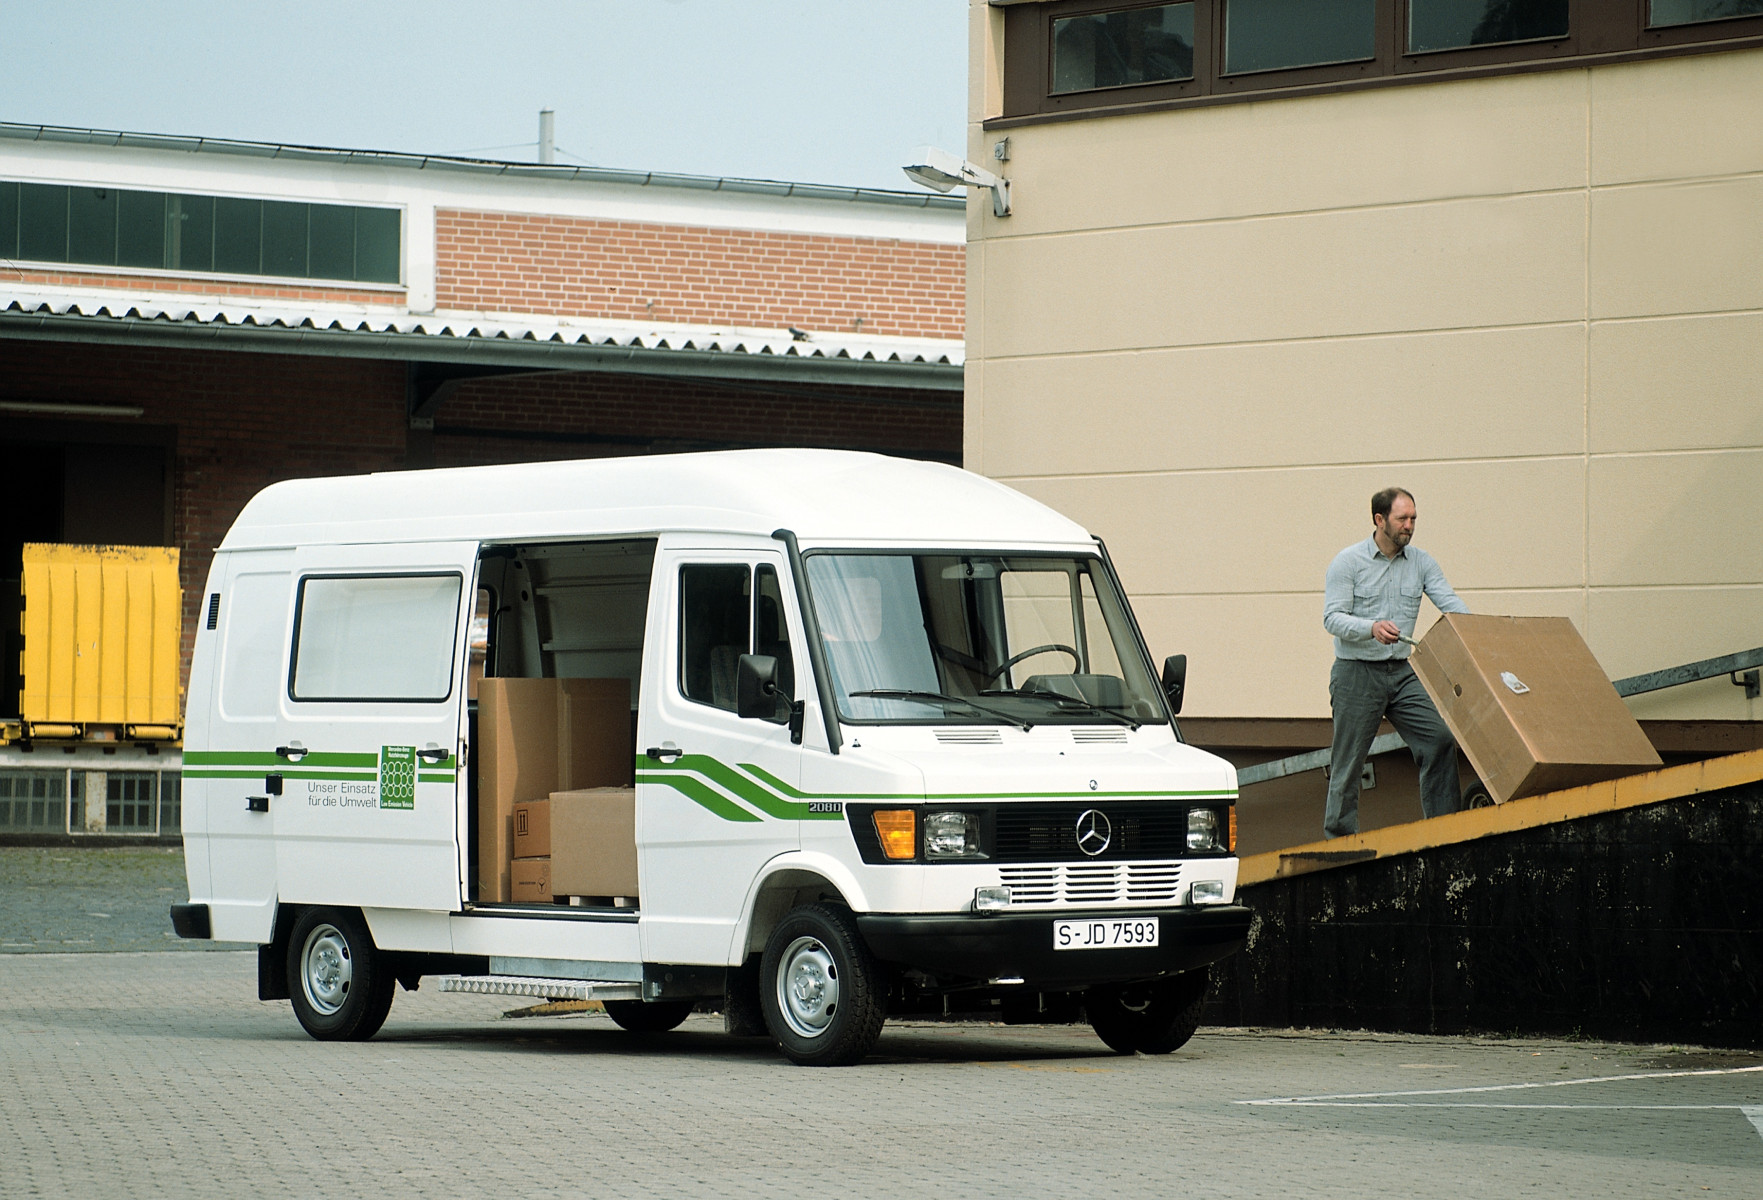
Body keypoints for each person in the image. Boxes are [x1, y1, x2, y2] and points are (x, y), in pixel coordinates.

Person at [1321, 487, 1468, 838]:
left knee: (1440, 740)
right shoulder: (1348, 562)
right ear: (1379, 519)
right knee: (1349, 761)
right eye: (1402, 518)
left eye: (1413, 518)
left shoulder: (1422, 562)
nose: (1409, 525)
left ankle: (1447, 832)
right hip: (1356, 672)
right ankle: (1340, 841)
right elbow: (1332, 619)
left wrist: (1481, 633)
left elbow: (1451, 605)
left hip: (1403, 673)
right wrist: (1370, 628)